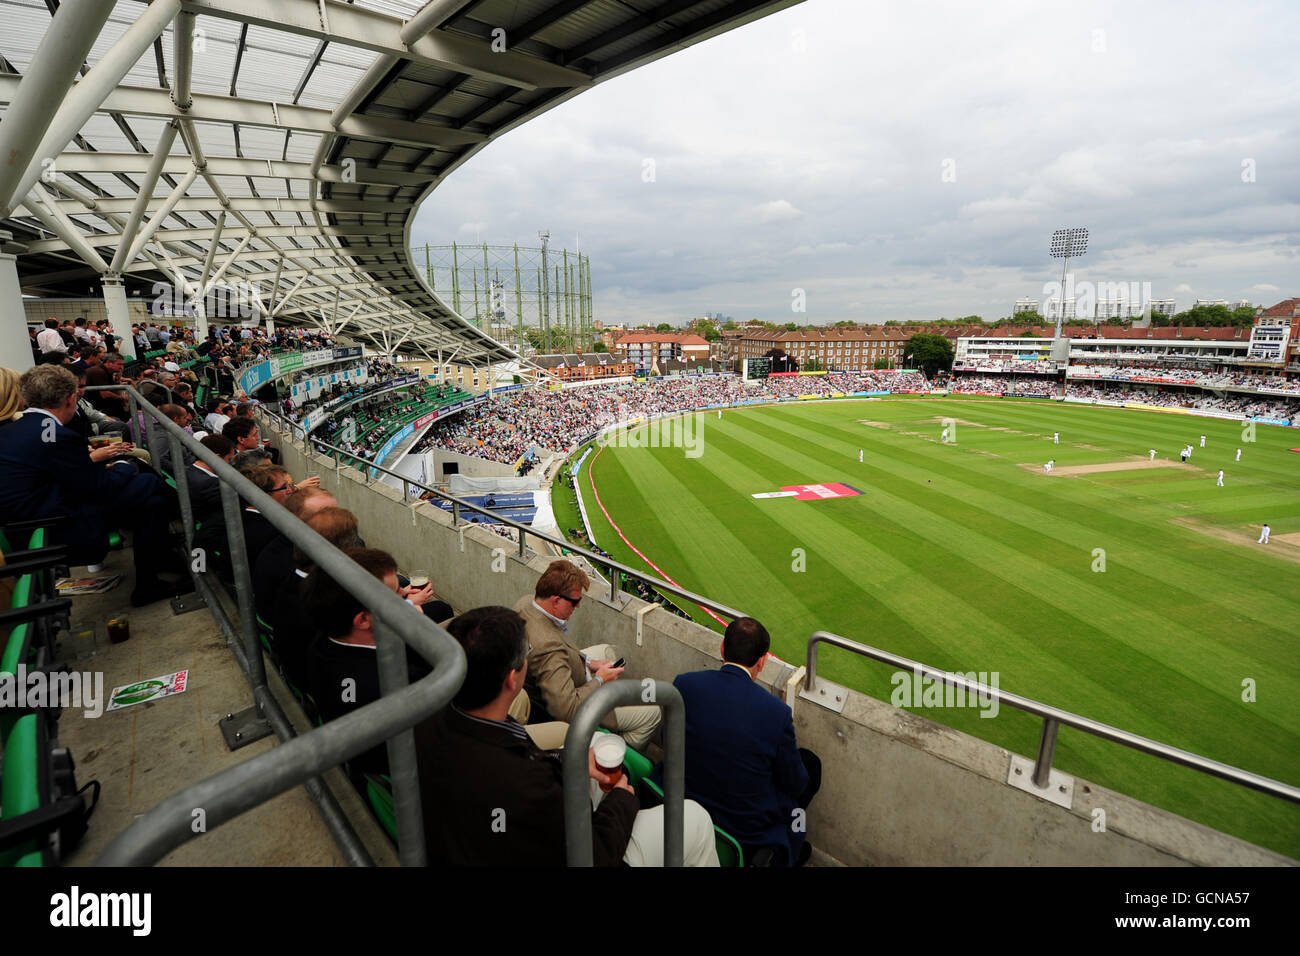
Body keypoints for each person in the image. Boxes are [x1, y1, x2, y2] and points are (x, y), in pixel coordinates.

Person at [413, 605, 719, 867]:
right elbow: (595, 856)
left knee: (592, 745)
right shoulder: (526, 785)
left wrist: (564, 761)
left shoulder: (424, 721)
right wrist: (623, 800)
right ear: (512, 677)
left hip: (478, 837)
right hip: (572, 848)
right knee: (695, 819)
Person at [0, 365, 187, 606]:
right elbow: (98, 488)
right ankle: (155, 568)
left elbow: (67, 476)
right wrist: (122, 464)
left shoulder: (17, 429)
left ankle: (153, 573)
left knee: (150, 498)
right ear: (71, 399)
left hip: (31, 521)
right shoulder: (57, 434)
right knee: (147, 483)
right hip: (54, 526)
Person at [659, 617, 820, 866]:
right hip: (743, 830)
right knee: (805, 777)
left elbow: (666, 741)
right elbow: (796, 783)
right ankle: (789, 852)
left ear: (722, 649)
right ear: (762, 662)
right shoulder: (776, 713)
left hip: (683, 797)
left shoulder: (685, 684)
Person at [515, 560, 661, 751]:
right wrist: (600, 679)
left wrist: (590, 662)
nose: (578, 607)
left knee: (607, 652)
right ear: (556, 600)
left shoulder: (526, 602)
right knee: (653, 712)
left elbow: (558, 650)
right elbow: (566, 710)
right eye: (575, 602)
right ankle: (617, 755)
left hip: (552, 679)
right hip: (569, 698)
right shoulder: (548, 646)